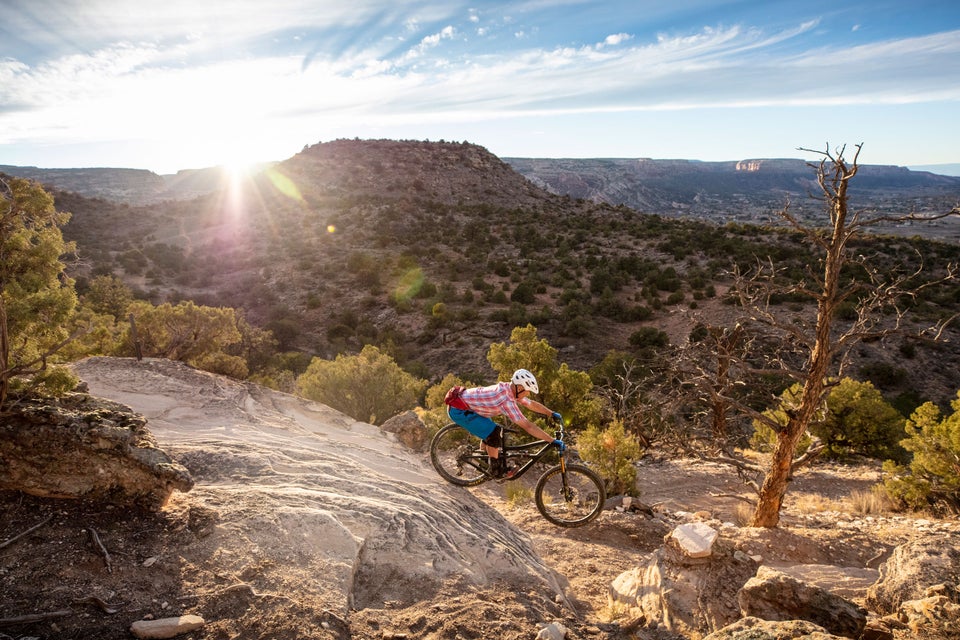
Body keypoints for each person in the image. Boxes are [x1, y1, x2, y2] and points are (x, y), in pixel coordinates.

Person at [445, 369, 565, 478]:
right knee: (493, 433)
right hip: (459, 410)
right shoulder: (506, 399)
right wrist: (552, 440)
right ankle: (496, 471)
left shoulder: (510, 389)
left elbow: (531, 404)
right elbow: (528, 426)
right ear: (519, 387)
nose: (528, 394)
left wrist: (551, 413)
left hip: (471, 407)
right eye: (527, 391)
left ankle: (484, 462)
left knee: (493, 430)